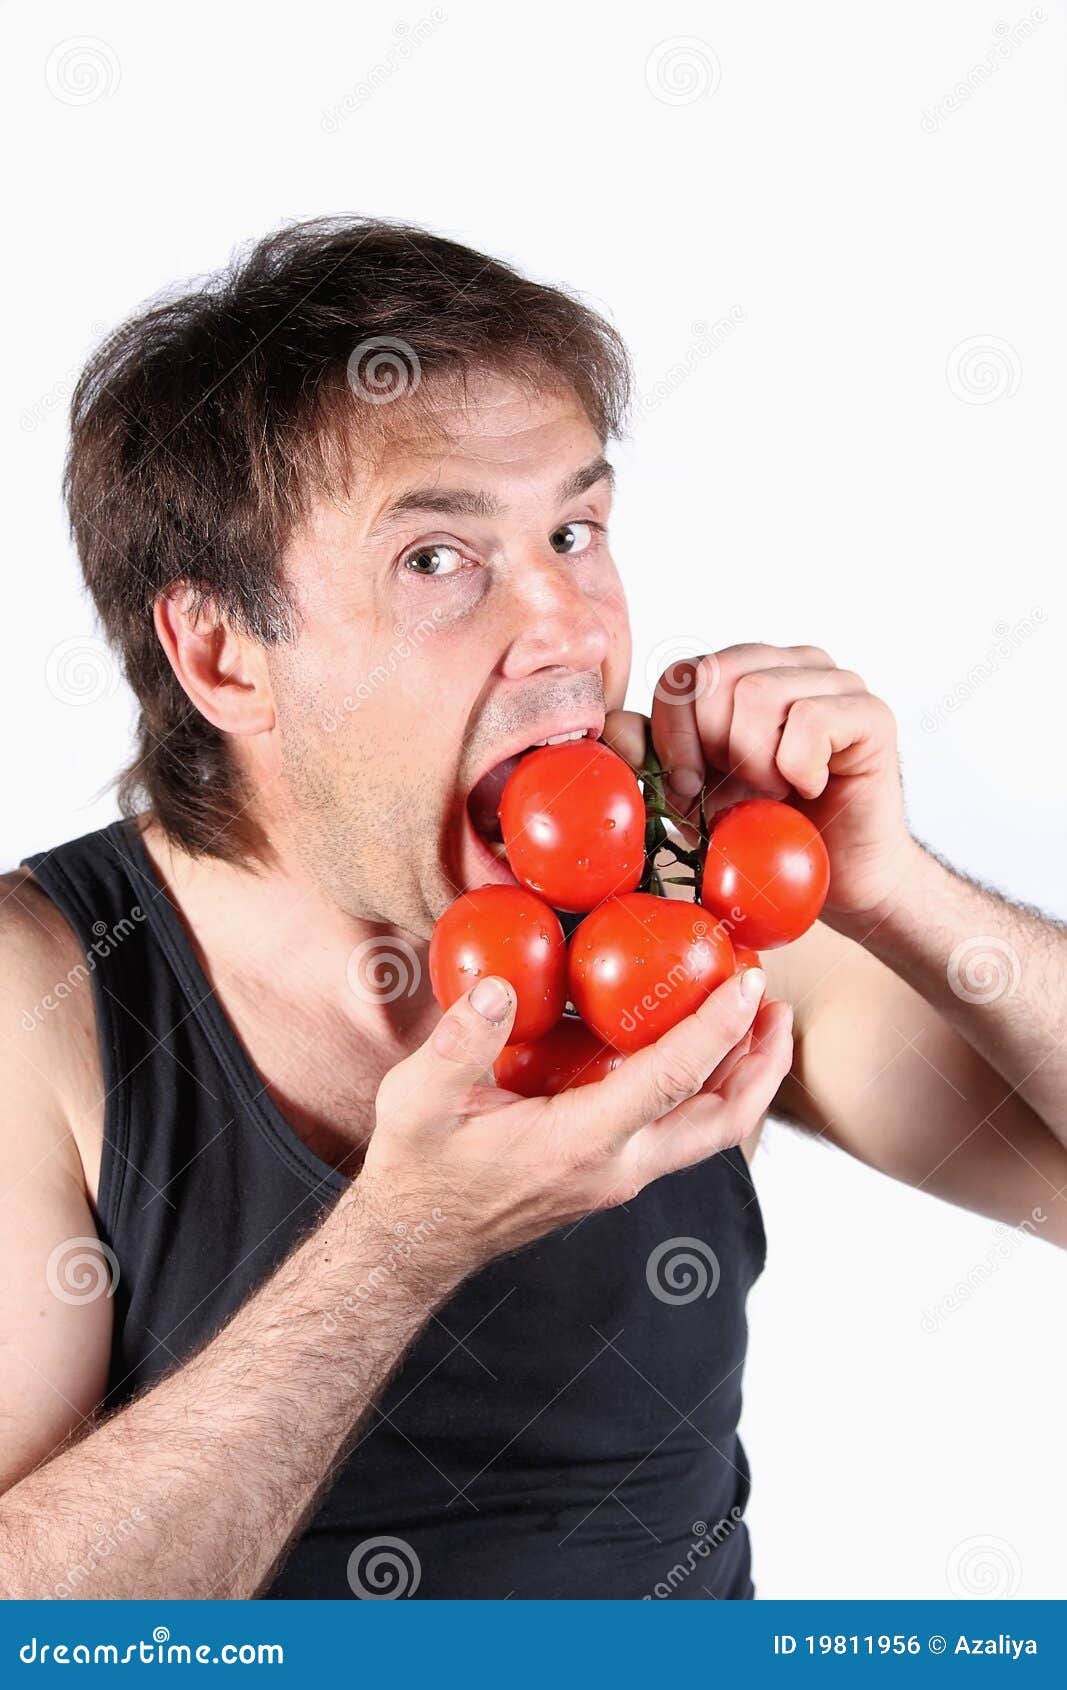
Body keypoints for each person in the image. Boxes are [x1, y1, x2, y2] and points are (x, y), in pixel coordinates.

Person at [1, 219, 1063, 1601]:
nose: (570, 625)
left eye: (574, 529)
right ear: (221, 650)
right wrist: (398, 1249)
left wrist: (894, 889)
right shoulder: (49, 1001)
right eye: (437, 558)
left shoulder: (683, 898)